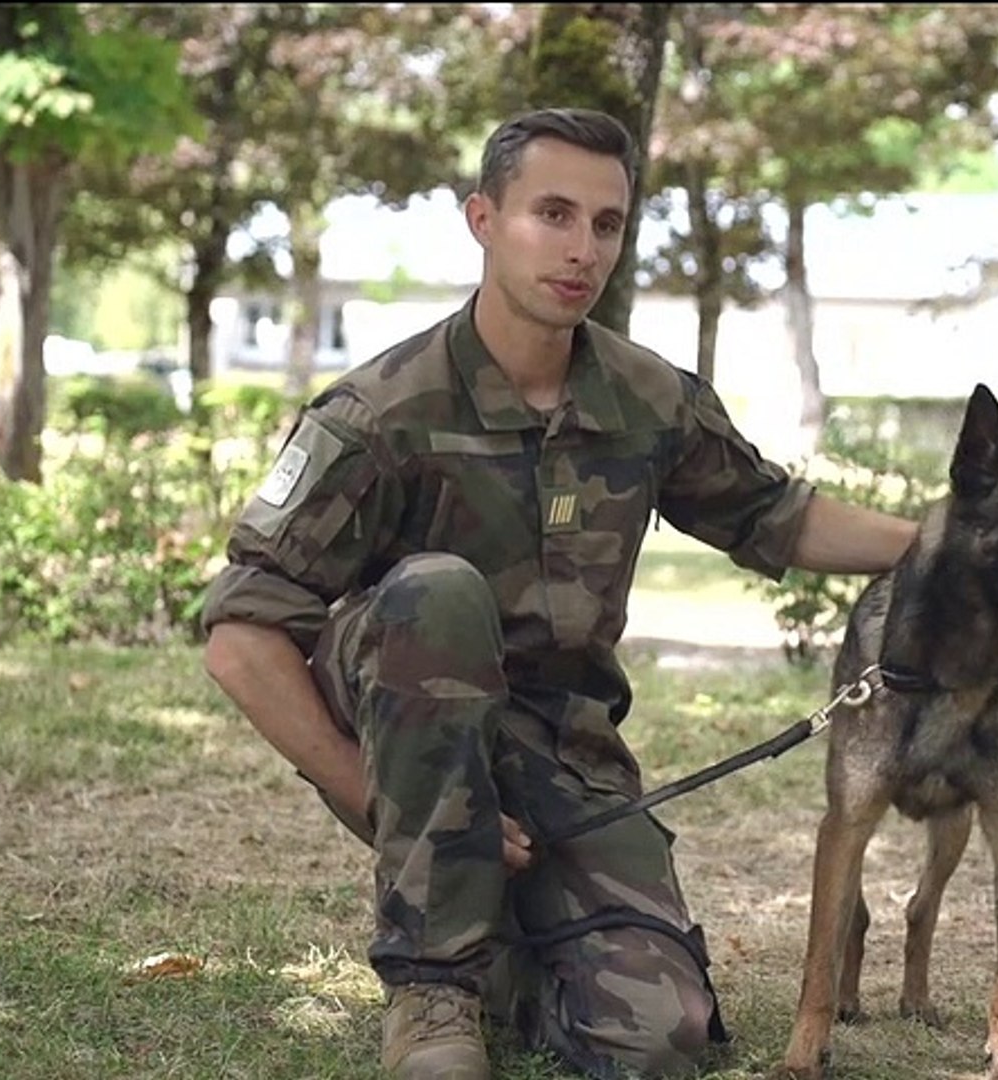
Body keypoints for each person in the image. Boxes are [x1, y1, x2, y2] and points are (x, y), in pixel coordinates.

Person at [199, 106, 918, 1080]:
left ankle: (510, 956)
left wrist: (940, 544)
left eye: (607, 224)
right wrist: (368, 792)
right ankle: (432, 990)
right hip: (411, 727)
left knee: (660, 1038)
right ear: (483, 220)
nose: (583, 250)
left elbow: (775, 515)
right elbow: (241, 632)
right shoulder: (385, 411)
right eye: (553, 214)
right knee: (439, 593)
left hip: (563, 754)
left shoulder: (648, 400)